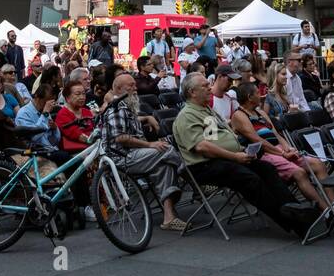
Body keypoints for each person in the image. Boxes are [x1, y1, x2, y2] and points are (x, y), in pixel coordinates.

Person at [172, 74, 320, 237]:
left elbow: (213, 139)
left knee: (267, 168)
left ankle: (295, 209)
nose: (209, 87)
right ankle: (294, 222)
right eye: (205, 85)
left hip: (224, 158)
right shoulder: (187, 116)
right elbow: (202, 147)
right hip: (204, 166)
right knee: (249, 179)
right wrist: (234, 156)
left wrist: (241, 150)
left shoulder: (205, 110)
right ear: (192, 92)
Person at [100, 73, 187, 230]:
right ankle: (191, 174)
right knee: (165, 149)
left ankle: (169, 218)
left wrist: (147, 118)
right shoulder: (117, 108)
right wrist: (150, 145)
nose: (135, 88)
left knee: (164, 166)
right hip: (121, 158)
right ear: (119, 89)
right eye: (131, 86)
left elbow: (129, 126)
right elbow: (120, 138)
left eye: (135, 85)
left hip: (134, 155)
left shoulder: (126, 107)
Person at [53, 80, 97, 222]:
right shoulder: (63, 114)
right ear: (67, 97)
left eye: (83, 93)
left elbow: (93, 128)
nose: (82, 97)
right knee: (81, 165)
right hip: (76, 151)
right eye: (77, 94)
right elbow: (75, 134)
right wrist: (92, 139)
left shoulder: (86, 111)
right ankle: (86, 205)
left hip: (91, 148)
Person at [14, 79, 61, 150]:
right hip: (36, 151)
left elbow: (55, 141)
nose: (48, 105)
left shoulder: (44, 111)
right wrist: (45, 114)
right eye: (46, 102)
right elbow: (34, 137)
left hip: (51, 149)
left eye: (50, 103)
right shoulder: (23, 113)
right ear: (37, 97)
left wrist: (55, 128)